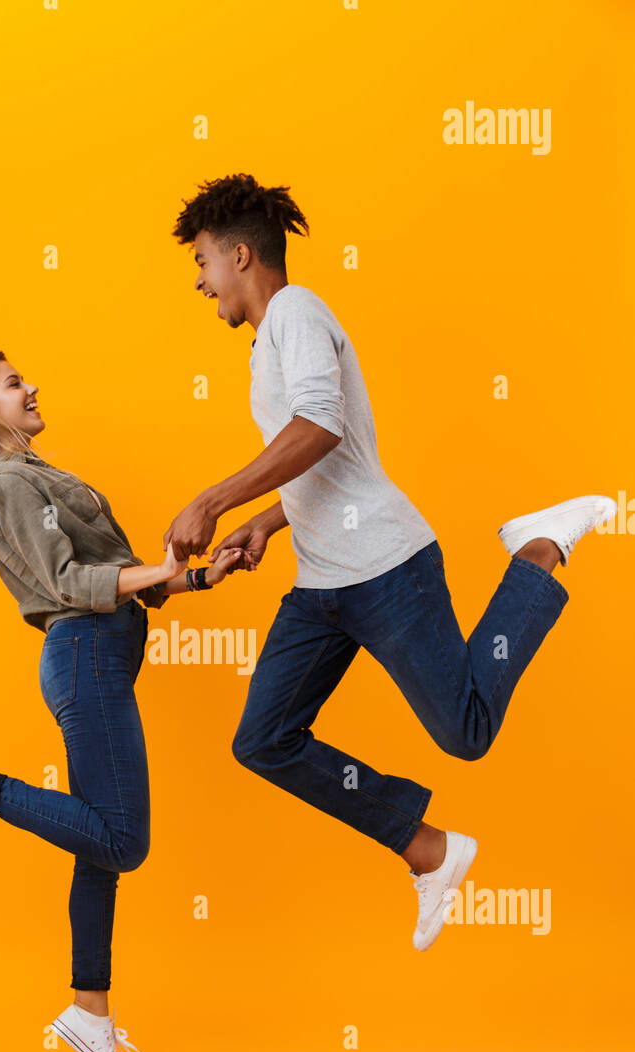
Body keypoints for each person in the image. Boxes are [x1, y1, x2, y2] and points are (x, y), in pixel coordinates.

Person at [164, 172, 616, 952]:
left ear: (240, 254)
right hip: (321, 582)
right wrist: (272, 522)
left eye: (203, 262)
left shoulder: (296, 313)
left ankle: (542, 549)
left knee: (466, 729)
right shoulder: (269, 341)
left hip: (383, 567)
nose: (200, 284)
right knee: (264, 739)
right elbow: (320, 455)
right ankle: (427, 848)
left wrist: (216, 500)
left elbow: (322, 425)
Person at [0, 349, 246, 1052]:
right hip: (86, 654)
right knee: (124, 841)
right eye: (14, 383)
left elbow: (113, 578)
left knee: (98, 846)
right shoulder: (5, 484)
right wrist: (165, 571)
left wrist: (194, 577)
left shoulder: (39, 475)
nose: (32, 388)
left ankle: (91, 1012)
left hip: (102, 652)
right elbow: (69, 584)